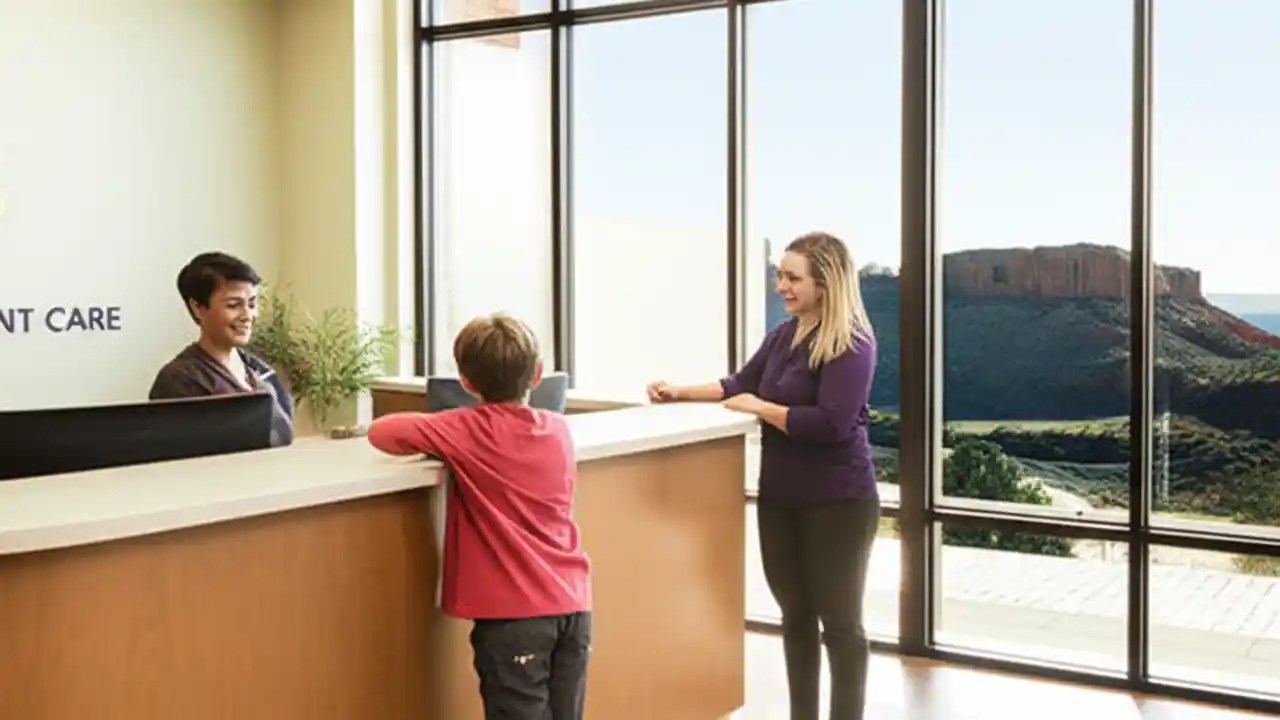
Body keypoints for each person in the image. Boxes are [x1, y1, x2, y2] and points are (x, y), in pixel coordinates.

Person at [647, 231, 879, 720]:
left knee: (840, 624)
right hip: (781, 497)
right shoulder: (782, 336)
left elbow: (831, 423)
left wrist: (763, 408)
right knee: (795, 616)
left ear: (826, 283)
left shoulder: (853, 343)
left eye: (793, 278)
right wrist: (678, 391)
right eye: (781, 275)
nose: (782, 286)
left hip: (839, 502)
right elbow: (738, 384)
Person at [367, 313, 592, 720]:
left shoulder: (464, 430)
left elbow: (383, 432)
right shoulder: (558, 428)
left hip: (514, 617)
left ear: (465, 382)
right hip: (573, 606)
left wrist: (443, 430)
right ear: (538, 374)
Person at [149, 251, 294, 447]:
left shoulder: (261, 371)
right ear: (198, 308)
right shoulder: (180, 381)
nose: (247, 315)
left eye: (251, 304)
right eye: (234, 305)